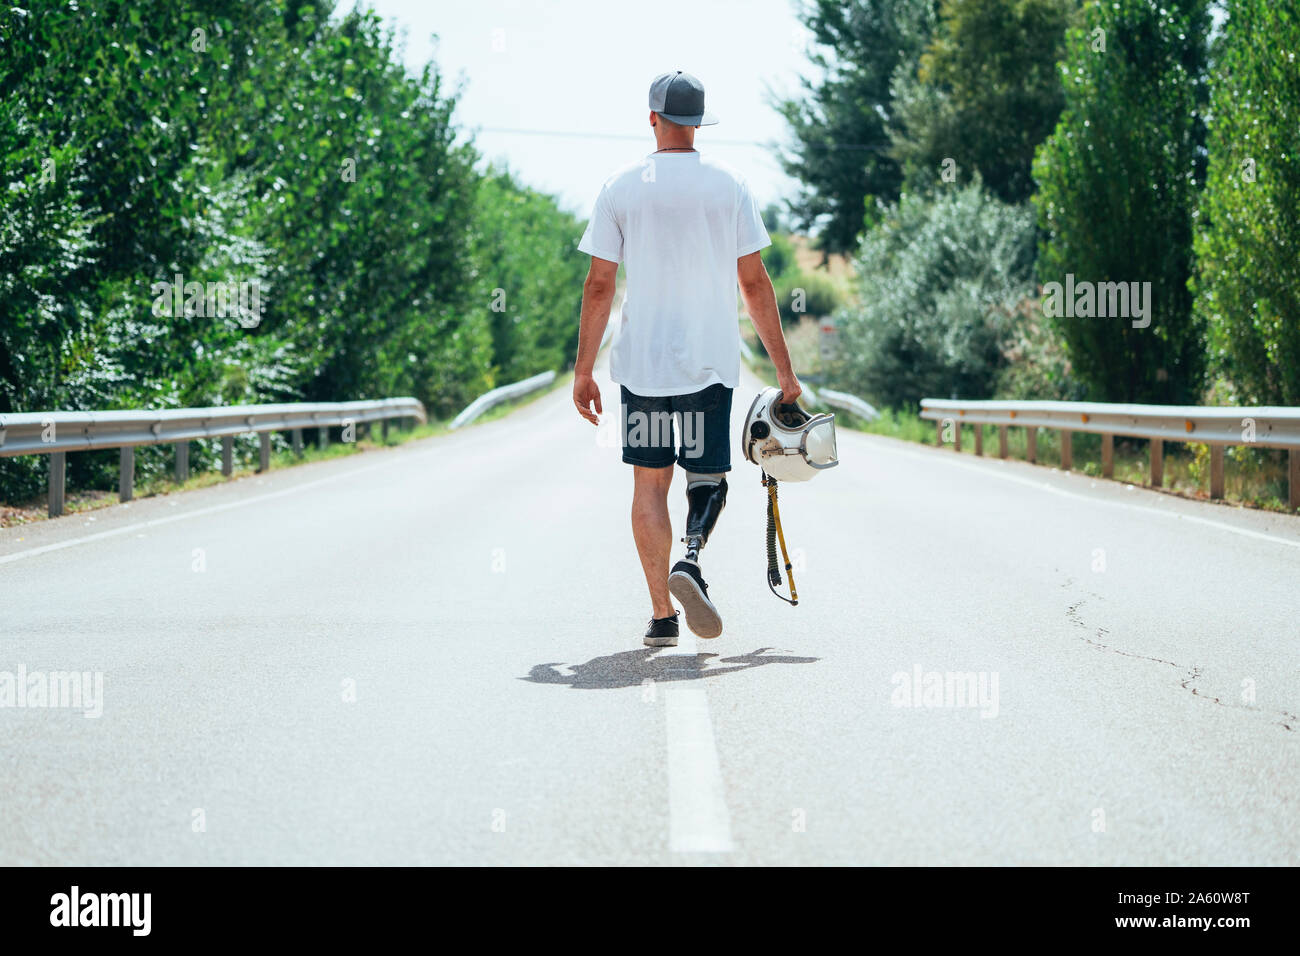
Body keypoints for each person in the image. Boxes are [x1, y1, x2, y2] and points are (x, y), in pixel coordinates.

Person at [572, 70, 801, 648]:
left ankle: (660, 616)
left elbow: (599, 285)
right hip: (707, 363)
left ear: (651, 117)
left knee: (649, 484)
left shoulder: (619, 187)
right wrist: (784, 371)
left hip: (643, 368)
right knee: (709, 475)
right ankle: (691, 559)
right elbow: (754, 283)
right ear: (699, 123)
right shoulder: (730, 186)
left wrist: (582, 371)